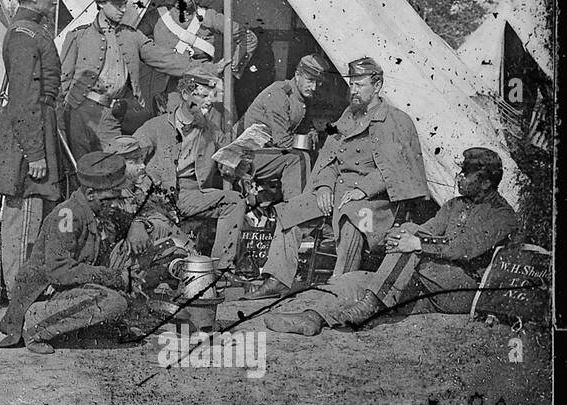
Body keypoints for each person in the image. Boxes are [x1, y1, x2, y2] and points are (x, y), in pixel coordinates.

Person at [265, 148, 518, 335]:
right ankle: (313, 318)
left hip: (460, 290)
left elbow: (462, 249)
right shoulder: (454, 205)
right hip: (427, 283)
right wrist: (398, 237)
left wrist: (416, 243)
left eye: (466, 174)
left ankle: (370, 305)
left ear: (485, 182)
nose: (459, 177)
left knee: (409, 237)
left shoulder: (502, 216)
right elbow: (427, 230)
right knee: (356, 279)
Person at [244, 57, 430, 300]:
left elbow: (398, 169)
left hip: (376, 204)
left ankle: (339, 289)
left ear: (377, 86)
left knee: (351, 215)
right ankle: (277, 279)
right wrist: (323, 186)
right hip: (337, 192)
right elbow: (330, 159)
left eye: (360, 85)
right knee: (291, 210)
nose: (353, 91)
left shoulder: (395, 120)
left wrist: (364, 189)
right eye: (352, 85)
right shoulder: (348, 117)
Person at [0, 151, 143, 355]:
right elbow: (59, 271)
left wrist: (138, 224)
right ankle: (35, 326)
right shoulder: (67, 215)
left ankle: (103, 324)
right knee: (114, 302)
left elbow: (132, 219)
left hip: (72, 287)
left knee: (134, 254)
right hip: (46, 291)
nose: (116, 203)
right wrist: (115, 278)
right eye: (111, 198)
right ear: (91, 194)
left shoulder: (97, 209)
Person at [59, 0, 218, 158]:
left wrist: (210, 70)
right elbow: (62, 82)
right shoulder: (78, 36)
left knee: (115, 167)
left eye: (124, 3)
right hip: (79, 114)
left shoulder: (131, 36)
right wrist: (62, 122)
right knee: (83, 170)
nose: (123, 8)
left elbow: (165, 58)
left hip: (110, 117)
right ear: (101, 3)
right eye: (117, 3)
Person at [0, 0, 64, 286]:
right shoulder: (23, 36)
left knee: (36, 214)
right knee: (26, 216)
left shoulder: (33, 31)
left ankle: (28, 286)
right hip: (26, 139)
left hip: (38, 128)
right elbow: (23, 100)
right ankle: (21, 291)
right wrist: (34, 153)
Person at [131, 75, 247, 285]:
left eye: (211, 96)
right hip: (158, 199)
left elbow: (228, 163)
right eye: (202, 95)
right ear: (185, 95)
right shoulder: (156, 126)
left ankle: (221, 269)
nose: (209, 101)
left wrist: (239, 163)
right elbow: (130, 157)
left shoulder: (211, 131)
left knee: (234, 200)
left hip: (192, 196)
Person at [151, 0, 258, 115]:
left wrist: (231, 71)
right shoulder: (156, 18)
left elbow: (248, 38)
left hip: (206, 90)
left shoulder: (208, 16)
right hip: (172, 92)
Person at [240, 53, 332, 201]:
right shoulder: (279, 94)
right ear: (297, 75)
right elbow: (282, 140)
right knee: (298, 158)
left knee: (317, 155)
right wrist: (309, 142)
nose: (314, 87)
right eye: (310, 81)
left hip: (269, 151)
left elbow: (303, 125)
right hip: (248, 154)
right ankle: (294, 212)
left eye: (318, 82)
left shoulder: (302, 96)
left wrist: (311, 132)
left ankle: (311, 206)